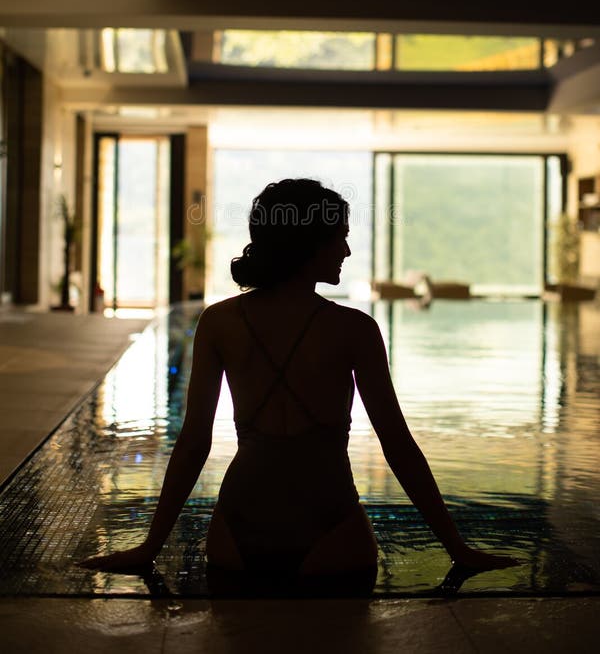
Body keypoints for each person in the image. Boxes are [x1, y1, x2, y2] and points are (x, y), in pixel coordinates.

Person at [79, 178, 517, 594]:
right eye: (339, 237)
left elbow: (194, 442)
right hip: (332, 528)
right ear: (308, 245)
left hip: (236, 528)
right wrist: (457, 548)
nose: (347, 249)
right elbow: (397, 444)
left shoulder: (219, 323)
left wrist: (150, 547)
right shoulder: (355, 330)